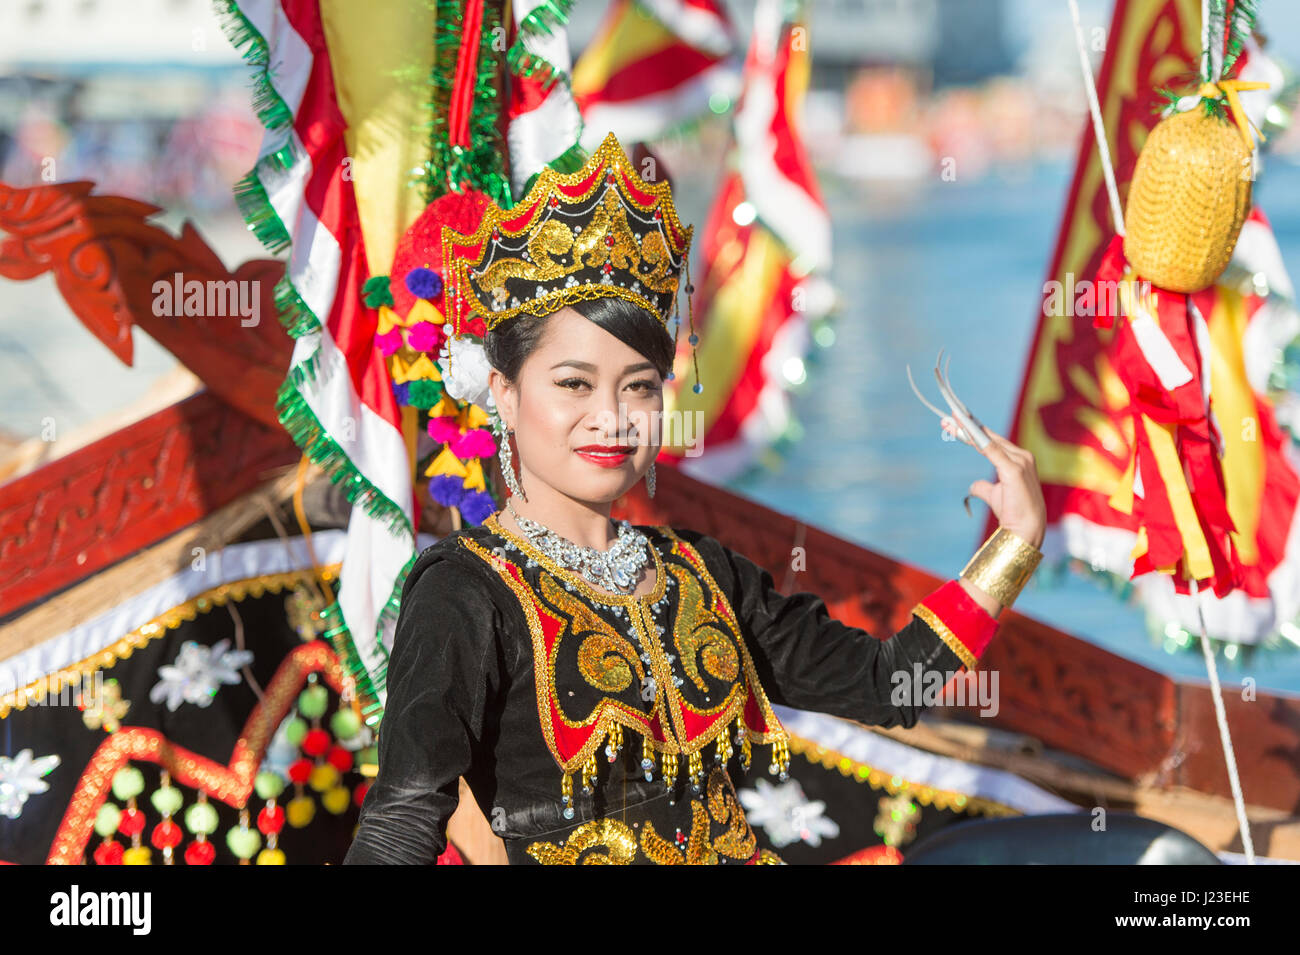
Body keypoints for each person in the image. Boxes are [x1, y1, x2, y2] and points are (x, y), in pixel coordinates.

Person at [342, 132, 1046, 865]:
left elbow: (887, 685)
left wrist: (1015, 545)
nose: (612, 417)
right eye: (574, 384)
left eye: (639, 386)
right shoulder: (463, 593)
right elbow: (400, 825)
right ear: (506, 395)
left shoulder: (703, 573)